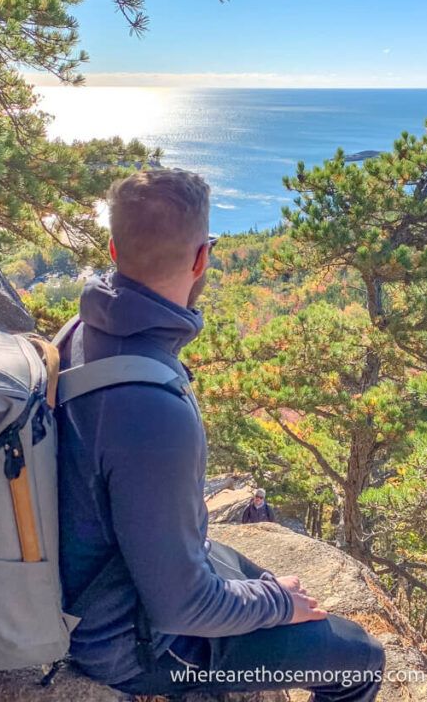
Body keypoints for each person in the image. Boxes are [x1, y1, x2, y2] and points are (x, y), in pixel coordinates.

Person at [57, 169, 384, 701]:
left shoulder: (83, 331)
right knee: (360, 659)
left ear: (114, 249)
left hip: (100, 581)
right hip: (130, 645)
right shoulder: (150, 409)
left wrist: (266, 595)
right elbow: (182, 608)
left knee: (282, 588)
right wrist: (273, 604)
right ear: (200, 259)